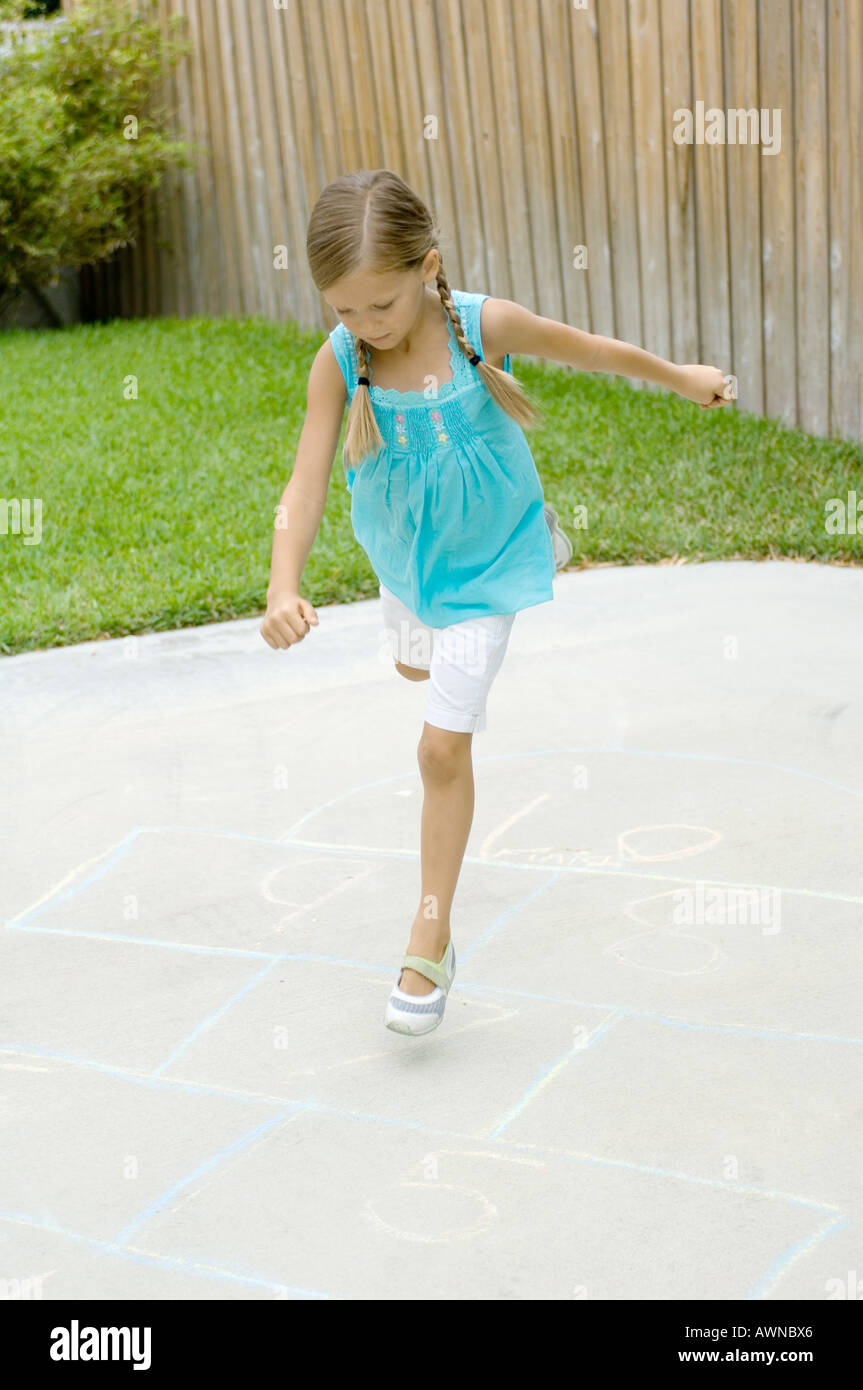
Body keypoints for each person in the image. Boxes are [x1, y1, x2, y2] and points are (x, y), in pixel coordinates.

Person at [259, 168, 732, 1037]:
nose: (365, 327)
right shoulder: (338, 363)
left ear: (427, 266)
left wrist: (681, 376)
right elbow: (306, 479)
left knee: (441, 750)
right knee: (413, 662)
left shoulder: (483, 325)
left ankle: (428, 940)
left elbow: (592, 348)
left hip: (491, 566)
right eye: (345, 310)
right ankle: (424, 639)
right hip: (408, 567)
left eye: (383, 307)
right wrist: (282, 582)